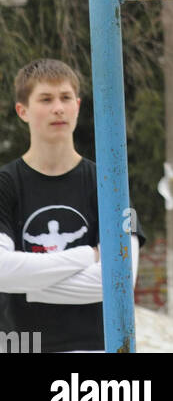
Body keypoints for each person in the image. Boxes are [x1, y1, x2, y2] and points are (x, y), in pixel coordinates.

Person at [0, 59, 145, 354]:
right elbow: (2, 272)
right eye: (46, 99)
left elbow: (121, 280)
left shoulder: (110, 185)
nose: (58, 108)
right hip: (21, 346)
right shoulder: (5, 184)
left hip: (96, 350)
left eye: (66, 98)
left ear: (77, 105)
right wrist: (89, 255)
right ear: (22, 110)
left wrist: (27, 283)